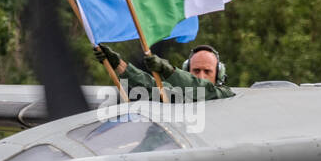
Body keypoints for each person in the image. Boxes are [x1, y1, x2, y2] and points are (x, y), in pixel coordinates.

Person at [94, 43, 234, 101]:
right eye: (196, 71)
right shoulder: (180, 97)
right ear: (186, 71)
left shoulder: (226, 96)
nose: (201, 76)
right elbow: (152, 86)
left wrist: (167, 70)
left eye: (207, 71)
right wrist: (119, 65)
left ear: (219, 75)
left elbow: (201, 88)